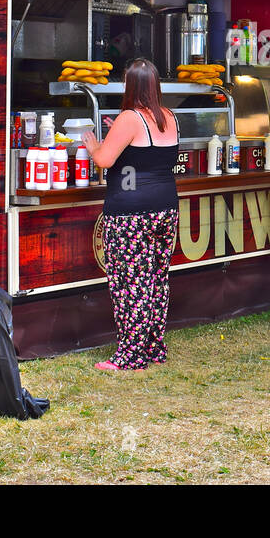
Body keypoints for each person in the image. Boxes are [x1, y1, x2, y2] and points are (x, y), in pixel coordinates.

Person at [81, 58, 179, 371]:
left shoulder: (128, 117)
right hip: (166, 208)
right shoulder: (169, 116)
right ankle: (153, 348)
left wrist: (94, 145)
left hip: (131, 213)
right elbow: (145, 155)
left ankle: (130, 356)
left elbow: (106, 161)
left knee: (130, 283)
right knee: (156, 279)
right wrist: (118, 135)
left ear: (130, 86)